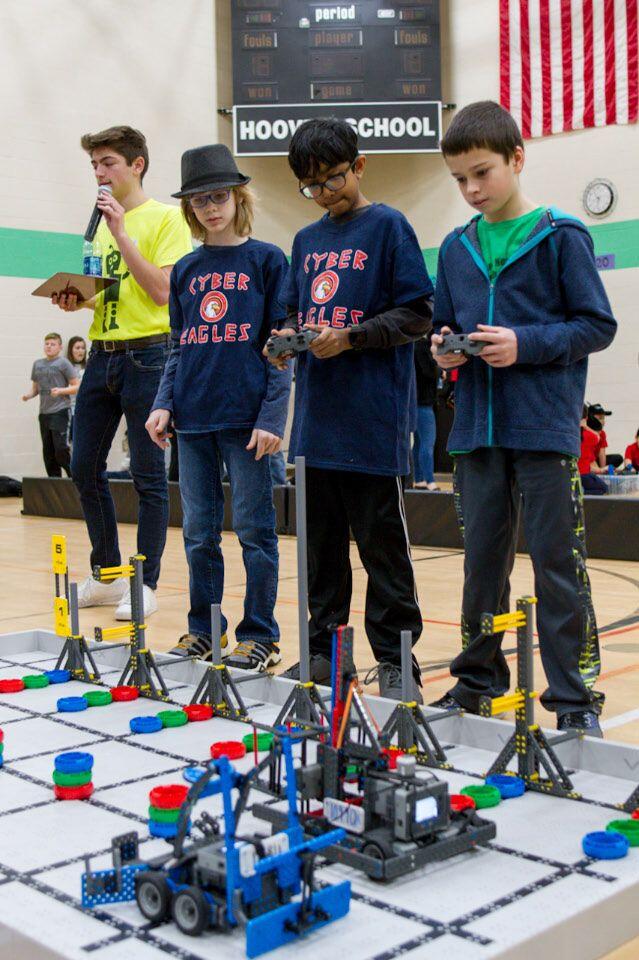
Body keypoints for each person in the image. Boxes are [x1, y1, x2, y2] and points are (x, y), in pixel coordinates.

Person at [430, 100, 616, 737]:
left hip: (543, 429)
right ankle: (477, 682)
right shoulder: (455, 249)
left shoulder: (563, 235)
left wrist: (525, 344)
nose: (472, 190)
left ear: (517, 158)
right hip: (476, 432)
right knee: (482, 564)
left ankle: (574, 699)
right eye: (459, 180)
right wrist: (443, 348)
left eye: (482, 173)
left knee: (557, 564)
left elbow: (596, 325)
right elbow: (443, 325)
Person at [267, 118, 433, 702]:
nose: (325, 192)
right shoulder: (306, 242)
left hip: (372, 424)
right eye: (311, 186)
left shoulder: (389, 227)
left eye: (333, 178)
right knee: (320, 554)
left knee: (383, 552)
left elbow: (418, 314)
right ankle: (325, 658)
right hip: (315, 427)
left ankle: (396, 661)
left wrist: (353, 337)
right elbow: (289, 311)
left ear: (359, 166)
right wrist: (282, 341)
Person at [146, 144, 291, 670]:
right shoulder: (185, 269)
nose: (210, 207)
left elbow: (281, 345)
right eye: (200, 200)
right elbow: (179, 347)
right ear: (189, 208)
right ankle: (204, 629)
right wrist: (164, 405)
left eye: (219, 196)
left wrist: (273, 417)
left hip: (247, 423)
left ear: (236, 197)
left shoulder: (268, 260)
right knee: (199, 534)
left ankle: (260, 634)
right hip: (192, 422)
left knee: (255, 532)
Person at [51, 126, 192, 620]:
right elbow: (106, 290)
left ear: (137, 165)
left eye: (107, 162)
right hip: (102, 353)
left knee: (148, 474)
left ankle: (145, 583)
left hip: (151, 354)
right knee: (83, 463)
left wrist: (123, 235)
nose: (99, 173)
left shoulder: (168, 219)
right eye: (94, 165)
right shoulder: (98, 226)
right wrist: (77, 298)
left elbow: (161, 291)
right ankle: (108, 573)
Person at [22, 333, 79, 477]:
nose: (49, 346)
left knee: (60, 449)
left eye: (53, 344)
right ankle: (55, 488)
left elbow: (77, 386)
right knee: (48, 454)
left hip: (60, 411)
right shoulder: (38, 364)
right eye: (47, 343)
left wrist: (61, 390)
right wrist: (28, 396)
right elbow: (35, 388)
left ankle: (76, 480)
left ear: (59, 347)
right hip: (44, 413)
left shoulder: (63, 363)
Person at [413, 333, 439, 490]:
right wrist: (440, 370)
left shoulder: (412, 346)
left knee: (418, 443)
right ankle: (430, 480)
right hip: (424, 401)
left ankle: (419, 479)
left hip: (414, 401)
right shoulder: (422, 347)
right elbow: (430, 371)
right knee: (428, 442)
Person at [578, 405, 607, 495]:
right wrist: (586, 427)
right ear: (586, 418)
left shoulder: (571, 435)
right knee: (604, 488)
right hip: (583, 474)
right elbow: (597, 437)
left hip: (571, 473)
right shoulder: (590, 436)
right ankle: (580, 491)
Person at [587, 403, 622, 469]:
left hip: (595, 460)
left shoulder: (602, 433)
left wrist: (603, 468)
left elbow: (602, 453)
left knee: (618, 458)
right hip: (586, 460)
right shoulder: (586, 433)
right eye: (600, 418)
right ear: (590, 418)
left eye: (603, 418)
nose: (603, 421)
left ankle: (597, 468)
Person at [66, 335, 87, 440]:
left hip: (85, 410)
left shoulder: (88, 368)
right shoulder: (66, 367)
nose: (81, 351)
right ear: (71, 350)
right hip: (70, 411)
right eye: (77, 348)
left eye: (83, 348)